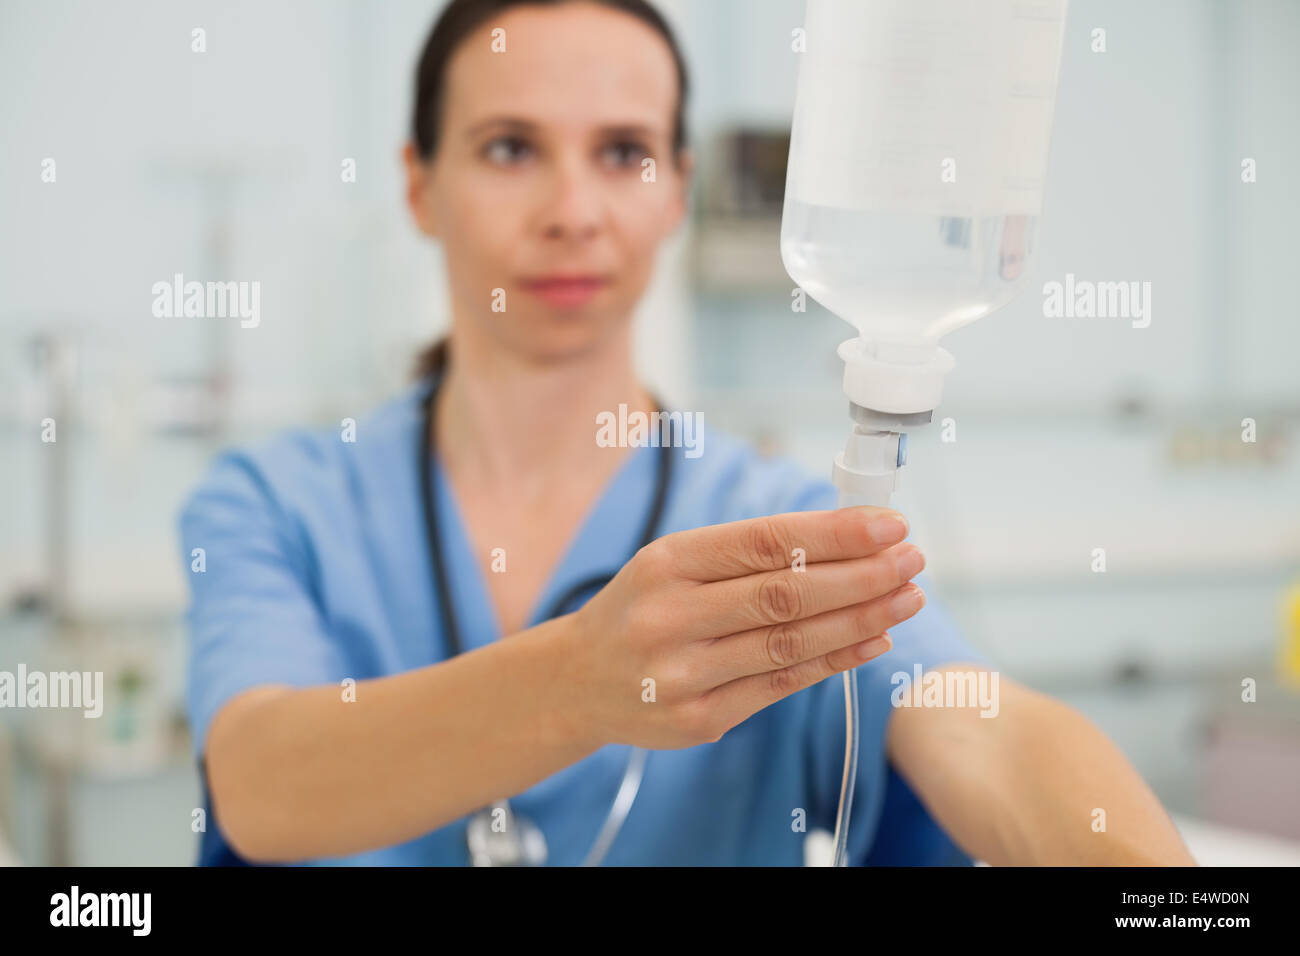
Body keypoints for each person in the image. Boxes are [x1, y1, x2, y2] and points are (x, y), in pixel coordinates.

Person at [179, 0, 1196, 866]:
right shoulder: (277, 504)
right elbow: (261, 785)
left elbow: (984, 730)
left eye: (622, 153)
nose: (572, 210)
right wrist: (578, 680)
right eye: (508, 148)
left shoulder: (775, 524)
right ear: (418, 183)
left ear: (675, 188)